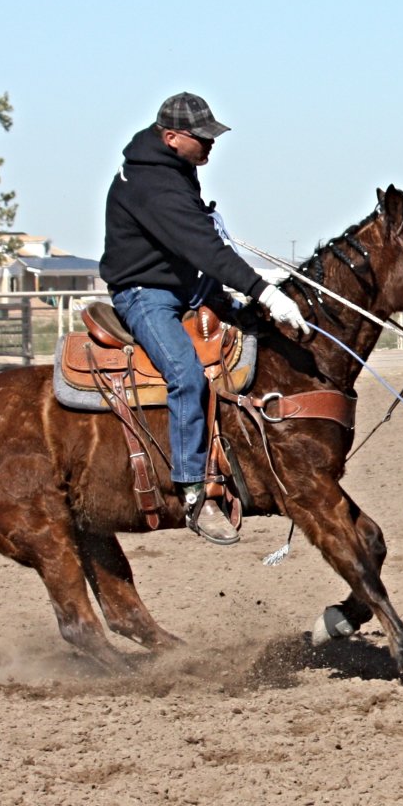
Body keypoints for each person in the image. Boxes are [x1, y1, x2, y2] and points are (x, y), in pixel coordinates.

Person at [100, 92, 309, 541]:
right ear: (172, 137)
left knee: (255, 334)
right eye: (203, 137)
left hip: (185, 285)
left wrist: (254, 298)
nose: (210, 144)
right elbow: (203, 248)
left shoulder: (176, 170)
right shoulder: (152, 184)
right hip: (144, 294)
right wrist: (264, 292)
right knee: (186, 376)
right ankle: (194, 492)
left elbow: (202, 246)